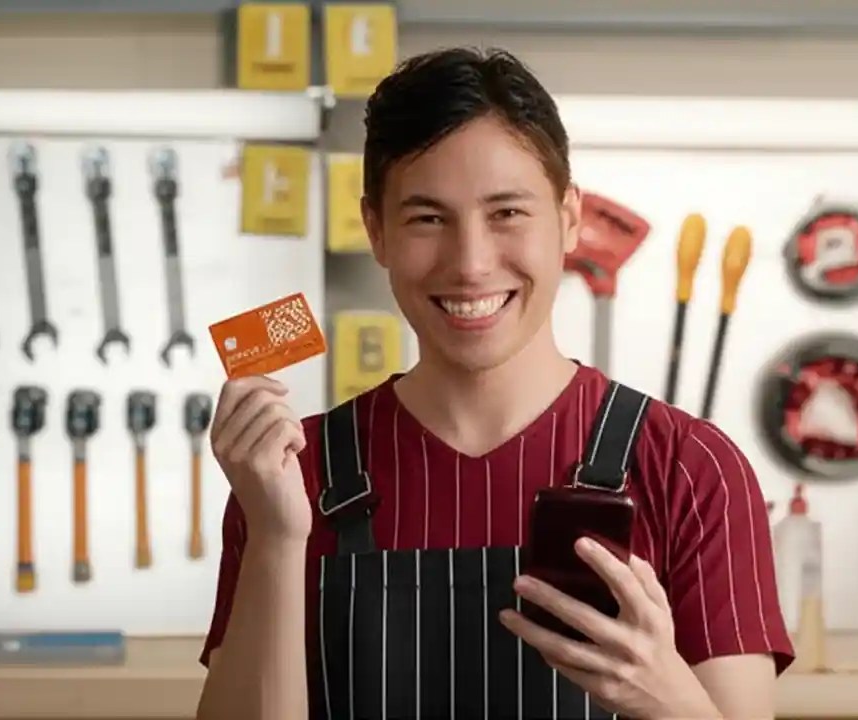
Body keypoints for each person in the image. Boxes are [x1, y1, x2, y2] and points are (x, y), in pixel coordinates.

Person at [196, 46, 793, 720]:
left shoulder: (690, 469)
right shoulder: (286, 476)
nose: (472, 263)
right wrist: (277, 539)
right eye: (428, 218)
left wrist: (664, 693)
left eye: (507, 213)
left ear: (569, 219)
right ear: (376, 231)